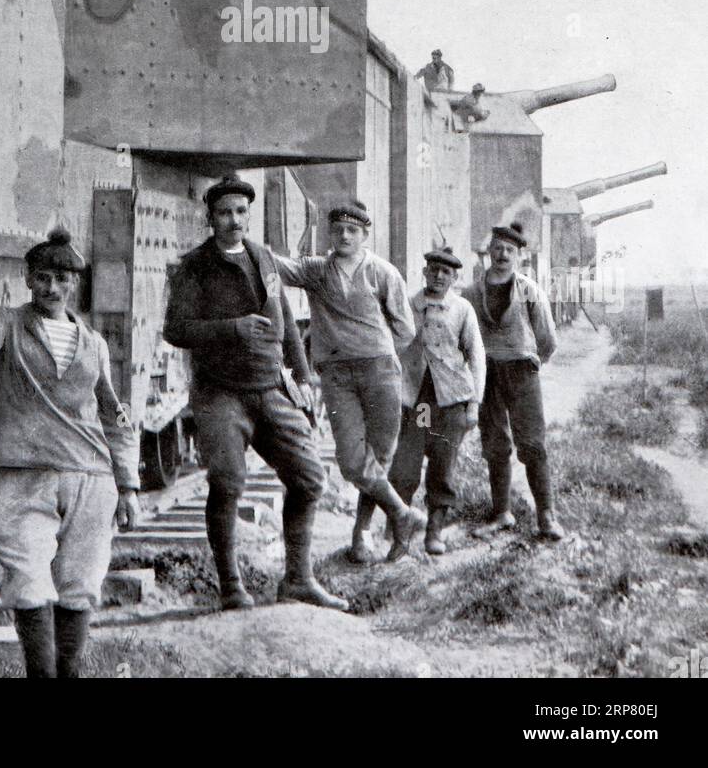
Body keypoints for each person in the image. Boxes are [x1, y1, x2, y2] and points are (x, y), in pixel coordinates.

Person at [0, 228, 140, 678]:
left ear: (74, 284)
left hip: (90, 476)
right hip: (24, 478)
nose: (51, 288)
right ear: (28, 279)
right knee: (27, 582)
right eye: (42, 278)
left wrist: (129, 484)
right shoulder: (11, 325)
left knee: (80, 584)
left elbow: (115, 416)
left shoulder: (94, 344)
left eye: (62, 279)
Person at [163, 177, 347, 612]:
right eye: (225, 213)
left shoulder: (262, 256)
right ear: (211, 218)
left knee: (308, 477)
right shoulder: (195, 266)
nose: (234, 221)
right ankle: (230, 585)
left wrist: (302, 379)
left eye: (241, 212)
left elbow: (282, 317)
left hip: (269, 388)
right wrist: (233, 328)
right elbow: (175, 329)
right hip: (221, 392)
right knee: (227, 482)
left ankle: (298, 579)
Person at [272, 201, 424, 565]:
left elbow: (405, 328)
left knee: (380, 458)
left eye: (351, 230)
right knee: (353, 460)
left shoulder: (383, 273)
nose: (343, 236)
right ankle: (403, 515)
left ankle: (361, 535)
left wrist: (375, 348)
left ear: (364, 235)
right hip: (338, 375)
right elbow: (275, 266)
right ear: (330, 233)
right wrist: (243, 240)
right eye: (337, 229)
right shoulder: (315, 271)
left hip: (381, 372)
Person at [464, 222, 564, 541]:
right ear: (488, 253)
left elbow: (547, 339)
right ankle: (501, 512)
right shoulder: (471, 292)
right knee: (494, 443)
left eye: (509, 250)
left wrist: (533, 361)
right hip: (487, 373)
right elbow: (464, 337)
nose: (502, 254)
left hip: (521, 372)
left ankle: (546, 517)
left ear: (519, 256)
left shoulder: (530, 291)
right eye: (497, 249)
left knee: (532, 443)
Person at [388, 245, 485, 558]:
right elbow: (392, 345)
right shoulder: (410, 305)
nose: (439, 276)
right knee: (407, 465)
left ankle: (435, 530)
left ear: (455, 277)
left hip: (451, 401)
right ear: (424, 272)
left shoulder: (462, 309)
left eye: (446, 272)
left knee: (443, 466)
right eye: (434, 270)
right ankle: (400, 536)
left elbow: (477, 357)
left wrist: (474, 404)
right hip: (423, 404)